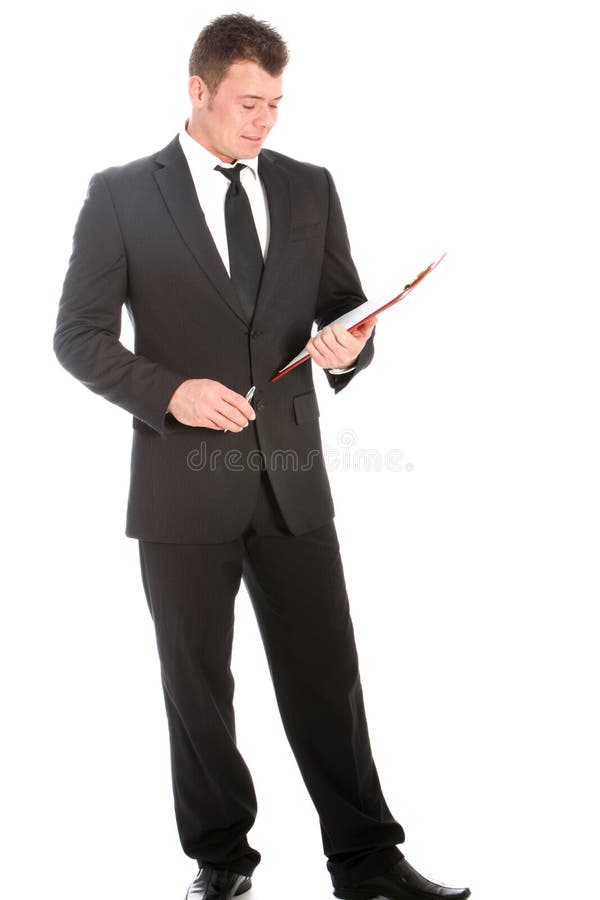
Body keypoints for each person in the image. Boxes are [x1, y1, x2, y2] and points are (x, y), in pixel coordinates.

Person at [53, 13, 470, 900]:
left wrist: (349, 348)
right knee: (197, 690)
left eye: (277, 104)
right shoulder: (122, 193)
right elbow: (78, 338)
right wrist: (170, 392)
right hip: (180, 485)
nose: (264, 121)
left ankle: (366, 862)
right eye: (248, 102)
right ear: (197, 91)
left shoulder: (311, 186)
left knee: (330, 675)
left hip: (294, 485)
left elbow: (344, 310)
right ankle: (221, 861)